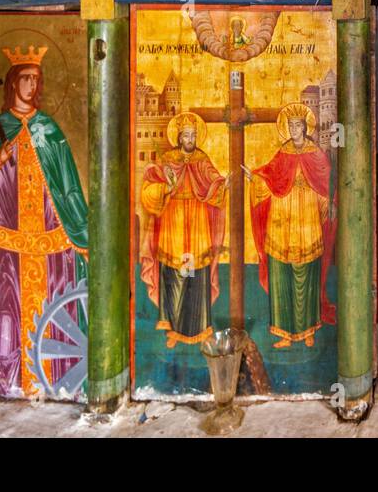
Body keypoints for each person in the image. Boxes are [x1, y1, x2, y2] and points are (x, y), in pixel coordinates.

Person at [0, 47, 88, 397]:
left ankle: (59, 384)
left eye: (36, 79)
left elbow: (68, 189)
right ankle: (11, 384)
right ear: (12, 83)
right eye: (25, 78)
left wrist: (78, 232)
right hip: (11, 253)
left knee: (55, 327)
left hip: (51, 251)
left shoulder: (49, 130)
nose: (31, 85)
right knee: (8, 324)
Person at [139, 113, 230, 348]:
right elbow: (148, 190)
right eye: (186, 135)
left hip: (197, 220)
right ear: (179, 137)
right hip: (173, 221)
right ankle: (174, 328)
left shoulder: (202, 159)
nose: (190, 138)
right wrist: (165, 187)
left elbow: (213, 182)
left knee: (195, 274)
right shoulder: (168, 159)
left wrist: (223, 184)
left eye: (193, 135)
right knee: (175, 273)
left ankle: (200, 328)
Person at [248, 104, 334, 347]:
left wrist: (326, 201)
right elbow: (271, 180)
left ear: (306, 128)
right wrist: (255, 181)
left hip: (307, 219)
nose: (294, 129)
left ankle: (308, 330)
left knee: (306, 272)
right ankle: (285, 332)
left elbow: (326, 184)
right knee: (281, 275)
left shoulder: (316, 154)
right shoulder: (282, 153)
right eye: (291, 125)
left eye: (298, 125)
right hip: (282, 221)